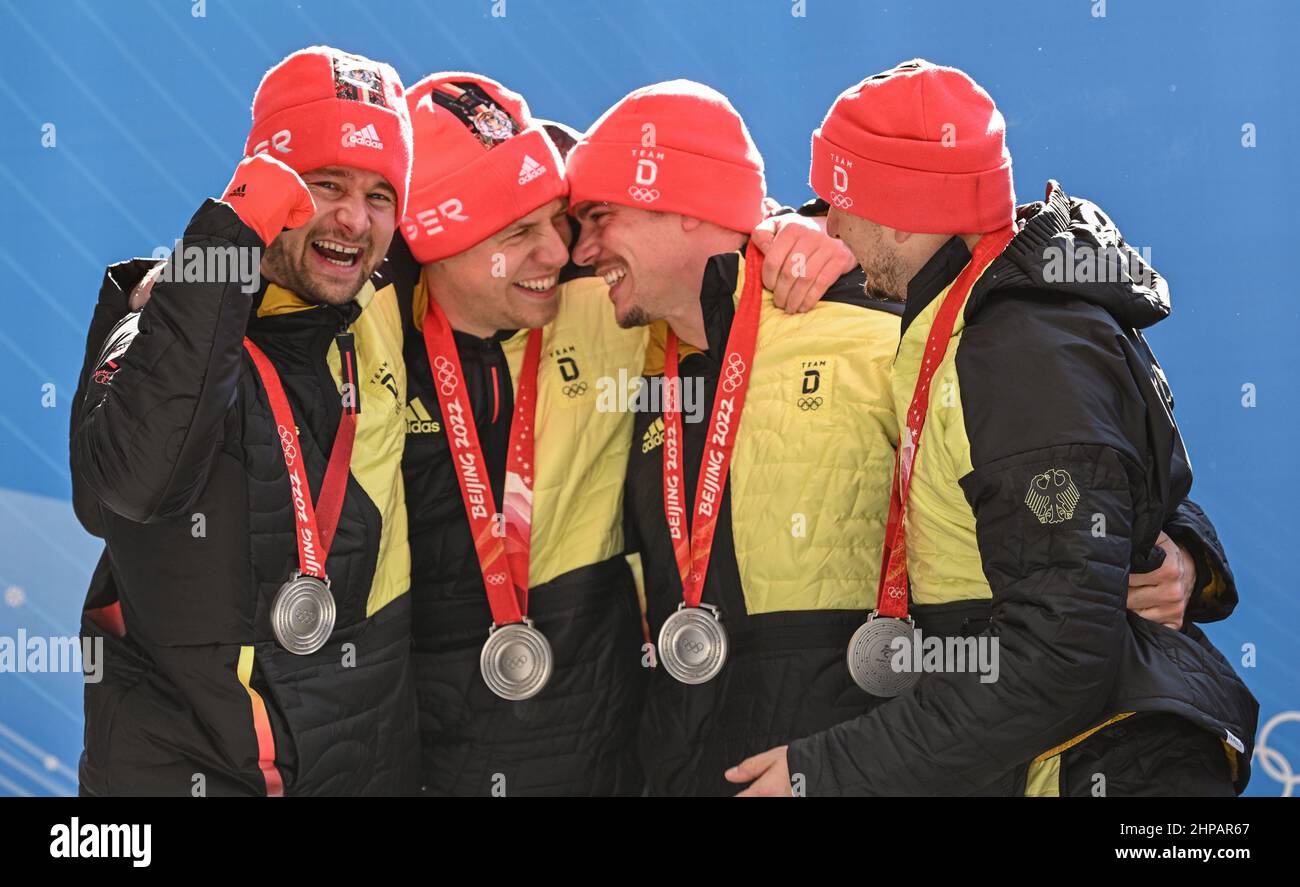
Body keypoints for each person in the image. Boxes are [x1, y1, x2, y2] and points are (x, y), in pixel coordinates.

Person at [732, 59, 1257, 797]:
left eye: (840, 197)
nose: (830, 221)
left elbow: (1057, 654)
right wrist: (1184, 555)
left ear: (904, 209)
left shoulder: (1017, 346)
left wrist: (826, 771)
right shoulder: (981, 311)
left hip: (1112, 761)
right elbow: (1112, 486)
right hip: (1060, 750)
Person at [389, 73, 853, 796]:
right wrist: (160, 283)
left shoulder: (606, 307)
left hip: (604, 753)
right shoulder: (366, 336)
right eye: (519, 233)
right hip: (427, 757)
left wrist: (797, 230)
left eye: (559, 219)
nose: (561, 252)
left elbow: (699, 242)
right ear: (439, 243)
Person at [70, 46, 420, 796]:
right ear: (269, 185)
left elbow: (514, 195)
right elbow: (124, 491)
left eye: (380, 194)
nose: (354, 220)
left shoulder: (386, 305)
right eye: (326, 184)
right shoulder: (166, 317)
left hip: (356, 765)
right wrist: (228, 238)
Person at [567, 80, 905, 795]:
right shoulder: (630, 358)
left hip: (847, 769)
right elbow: (475, 204)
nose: (582, 249)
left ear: (686, 206)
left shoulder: (874, 322)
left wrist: (1180, 548)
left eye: (599, 216)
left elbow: (1042, 423)